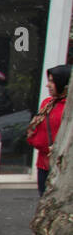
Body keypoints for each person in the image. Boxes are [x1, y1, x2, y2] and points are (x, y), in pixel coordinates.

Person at [26, 64, 69, 197]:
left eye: (52, 81)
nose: (48, 85)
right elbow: (37, 131)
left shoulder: (69, 109)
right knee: (44, 200)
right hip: (44, 165)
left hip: (62, 167)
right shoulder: (47, 104)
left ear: (64, 83)